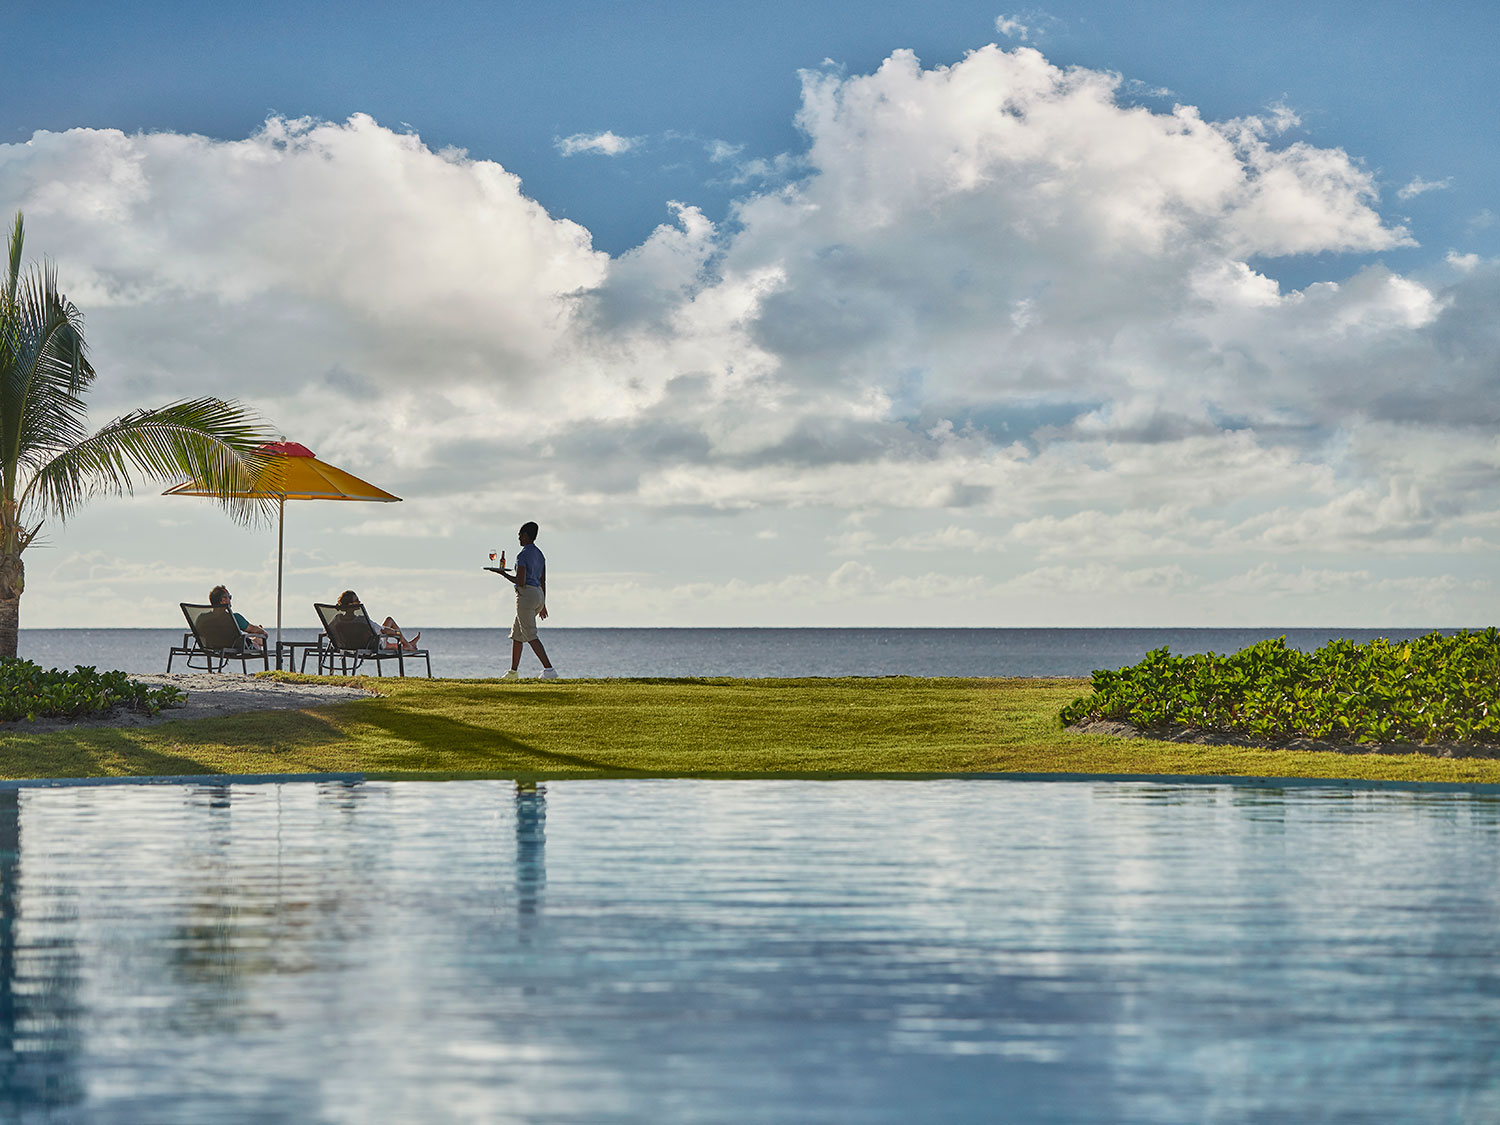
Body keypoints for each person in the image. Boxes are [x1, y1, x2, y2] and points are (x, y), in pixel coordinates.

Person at [488, 521, 557, 679]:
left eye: (519, 535)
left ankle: (549, 670)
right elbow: (543, 580)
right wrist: (543, 603)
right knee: (518, 634)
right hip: (538, 595)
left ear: (525, 536)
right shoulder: (540, 554)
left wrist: (501, 573)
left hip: (526, 597)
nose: (518, 538)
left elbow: (520, 581)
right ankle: (513, 672)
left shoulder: (522, 555)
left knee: (531, 635)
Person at [332, 590, 421, 652]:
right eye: (357, 600)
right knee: (389, 621)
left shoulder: (337, 619)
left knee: (383, 639)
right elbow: (383, 630)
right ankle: (408, 646)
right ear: (350, 604)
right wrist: (396, 633)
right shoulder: (361, 620)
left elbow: (328, 632)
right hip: (368, 646)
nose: (359, 602)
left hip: (347, 646)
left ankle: (408, 645)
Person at [208, 585, 267, 651]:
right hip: (233, 647)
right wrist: (261, 630)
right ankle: (253, 639)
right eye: (229, 597)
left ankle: (252, 638)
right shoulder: (234, 618)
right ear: (224, 600)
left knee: (250, 638)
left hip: (213, 648)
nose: (230, 600)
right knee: (261, 638)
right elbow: (255, 630)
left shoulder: (203, 618)